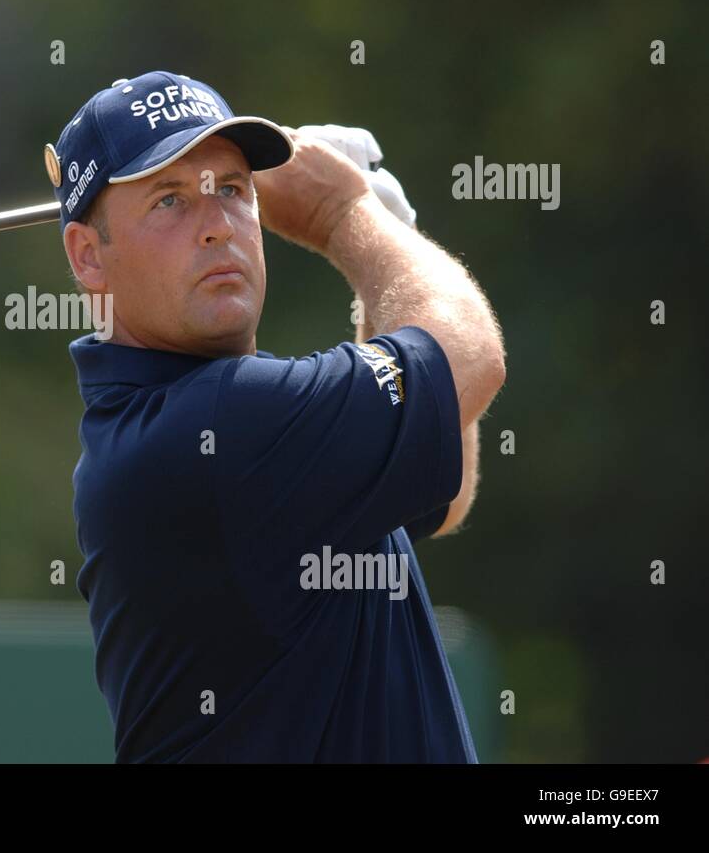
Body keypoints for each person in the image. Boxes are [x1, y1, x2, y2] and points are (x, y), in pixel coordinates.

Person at [46, 70, 506, 762]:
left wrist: (385, 249)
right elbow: (470, 357)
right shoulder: (219, 426)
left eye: (231, 189)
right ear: (88, 255)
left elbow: (446, 489)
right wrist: (343, 218)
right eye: (170, 199)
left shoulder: (197, 418)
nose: (215, 228)